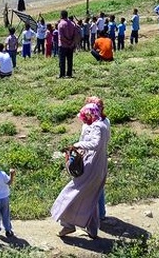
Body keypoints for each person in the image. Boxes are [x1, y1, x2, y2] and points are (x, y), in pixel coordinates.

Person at [51, 102, 110, 240]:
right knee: (91, 198)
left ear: (91, 114)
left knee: (70, 193)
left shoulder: (97, 126)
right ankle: (92, 230)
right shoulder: (104, 123)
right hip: (100, 166)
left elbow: (95, 144)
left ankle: (68, 224)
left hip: (91, 166)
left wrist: (77, 145)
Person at [57, 10, 78, 79]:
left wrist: (67, 42)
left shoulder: (60, 24)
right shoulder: (72, 24)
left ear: (61, 16)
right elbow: (75, 35)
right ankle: (69, 74)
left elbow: (61, 37)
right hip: (70, 46)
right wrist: (71, 43)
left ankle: (62, 74)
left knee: (62, 61)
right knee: (70, 60)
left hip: (63, 45)